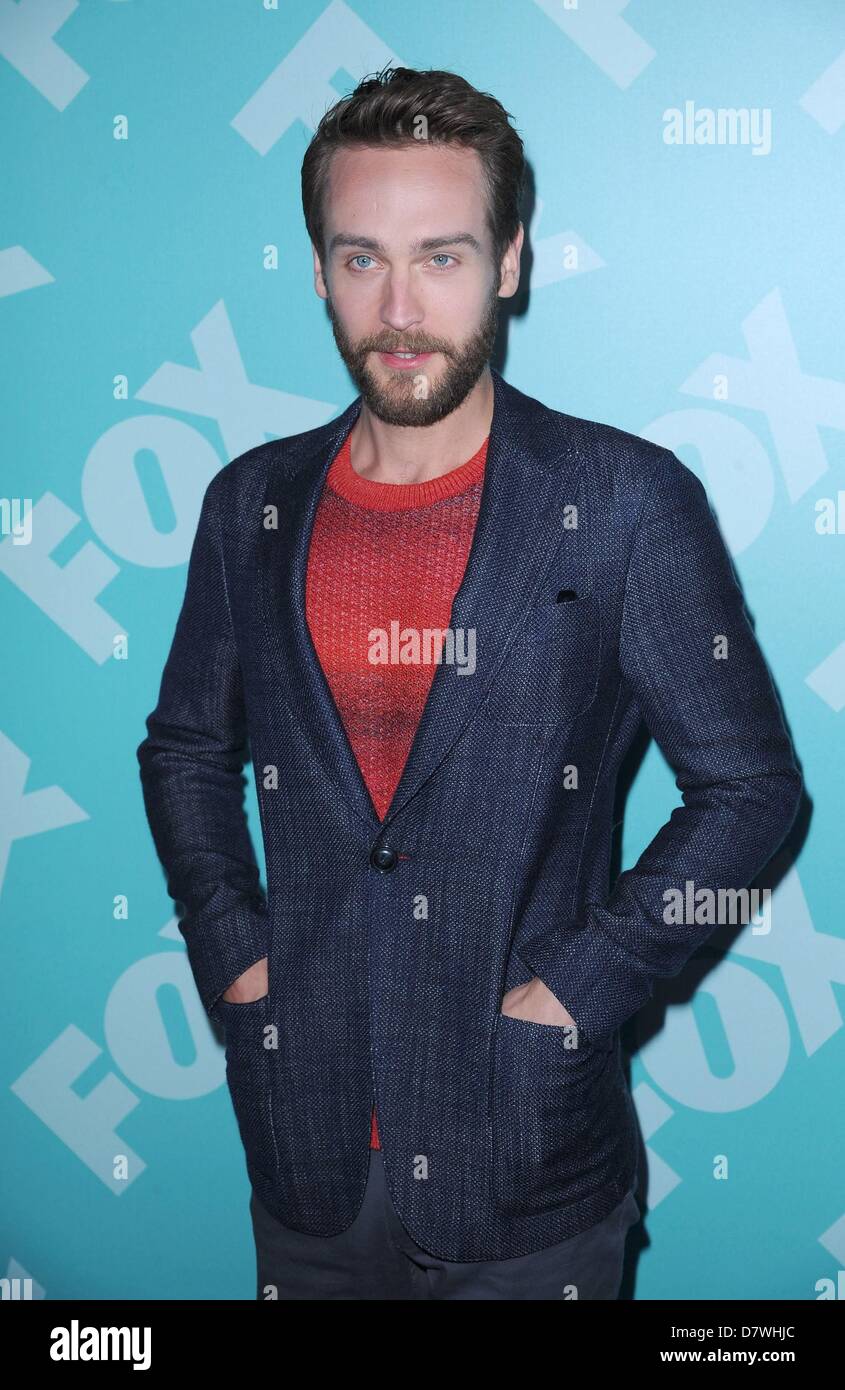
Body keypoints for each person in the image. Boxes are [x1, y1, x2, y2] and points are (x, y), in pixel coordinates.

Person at [136, 66, 802, 1300]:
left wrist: (574, 997)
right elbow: (182, 749)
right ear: (321, 269)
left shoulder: (619, 502)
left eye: (440, 257)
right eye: (359, 259)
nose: (397, 308)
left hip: (528, 1160)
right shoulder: (252, 504)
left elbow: (750, 790)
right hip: (307, 1146)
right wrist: (239, 963)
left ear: (508, 263)